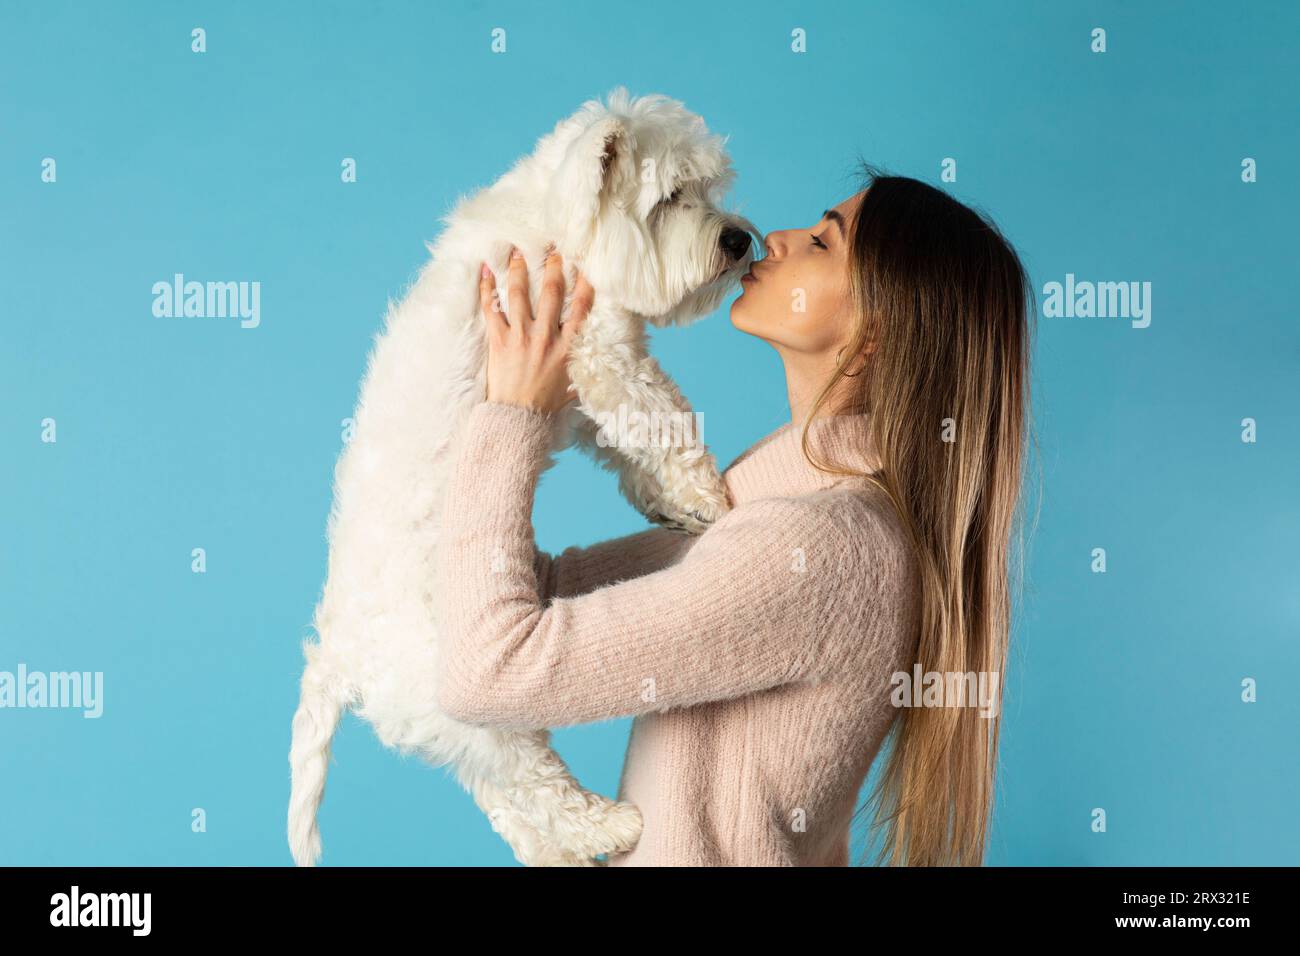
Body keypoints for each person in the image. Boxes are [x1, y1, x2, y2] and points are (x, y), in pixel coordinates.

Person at [433, 165, 1036, 866]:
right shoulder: (795, 516)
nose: (774, 239)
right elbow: (543, 590)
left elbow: (487, 672)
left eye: (821, 244)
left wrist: (514, 416)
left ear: (875, 332)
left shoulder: (819, 547)